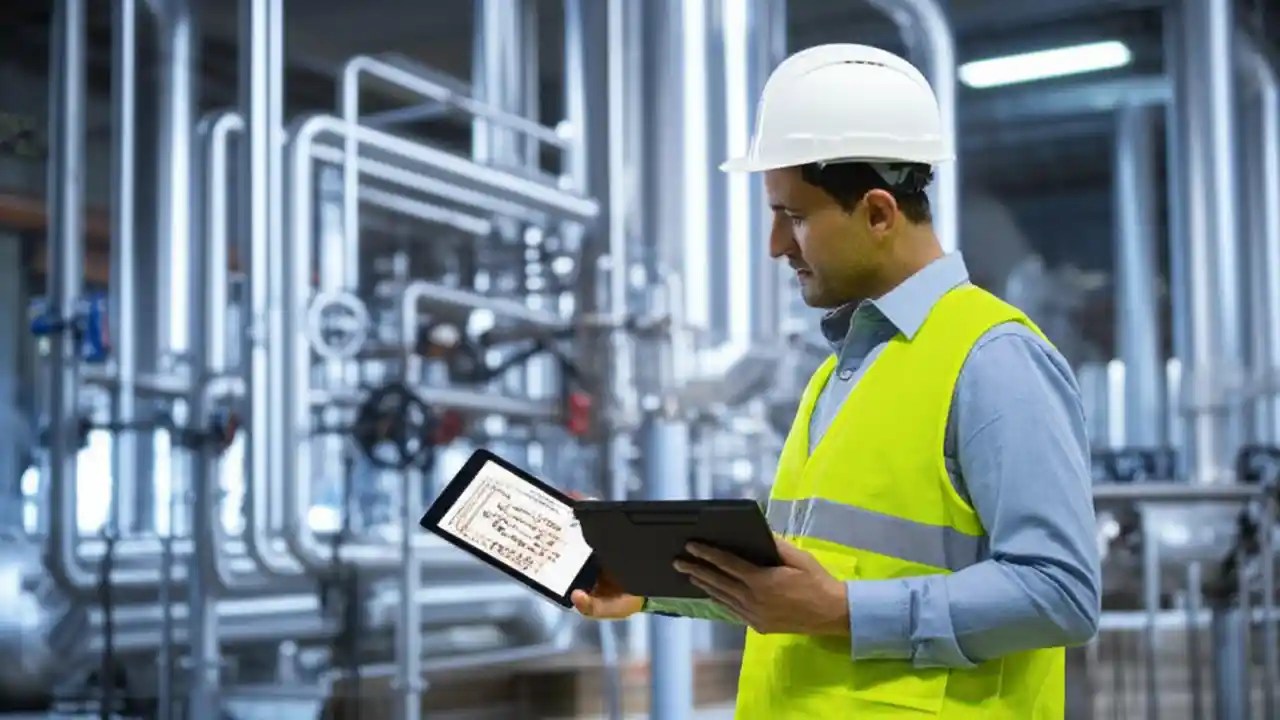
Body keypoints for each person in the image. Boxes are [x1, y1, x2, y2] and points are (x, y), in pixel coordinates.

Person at [571, 43, 1101, 718]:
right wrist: (644, 578)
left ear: (879, 214)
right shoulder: (839, 373)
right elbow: (804, 577)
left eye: (792, 216)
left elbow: (1061, 594)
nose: (775, 245)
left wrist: (846, 612)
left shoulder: (994, 359)